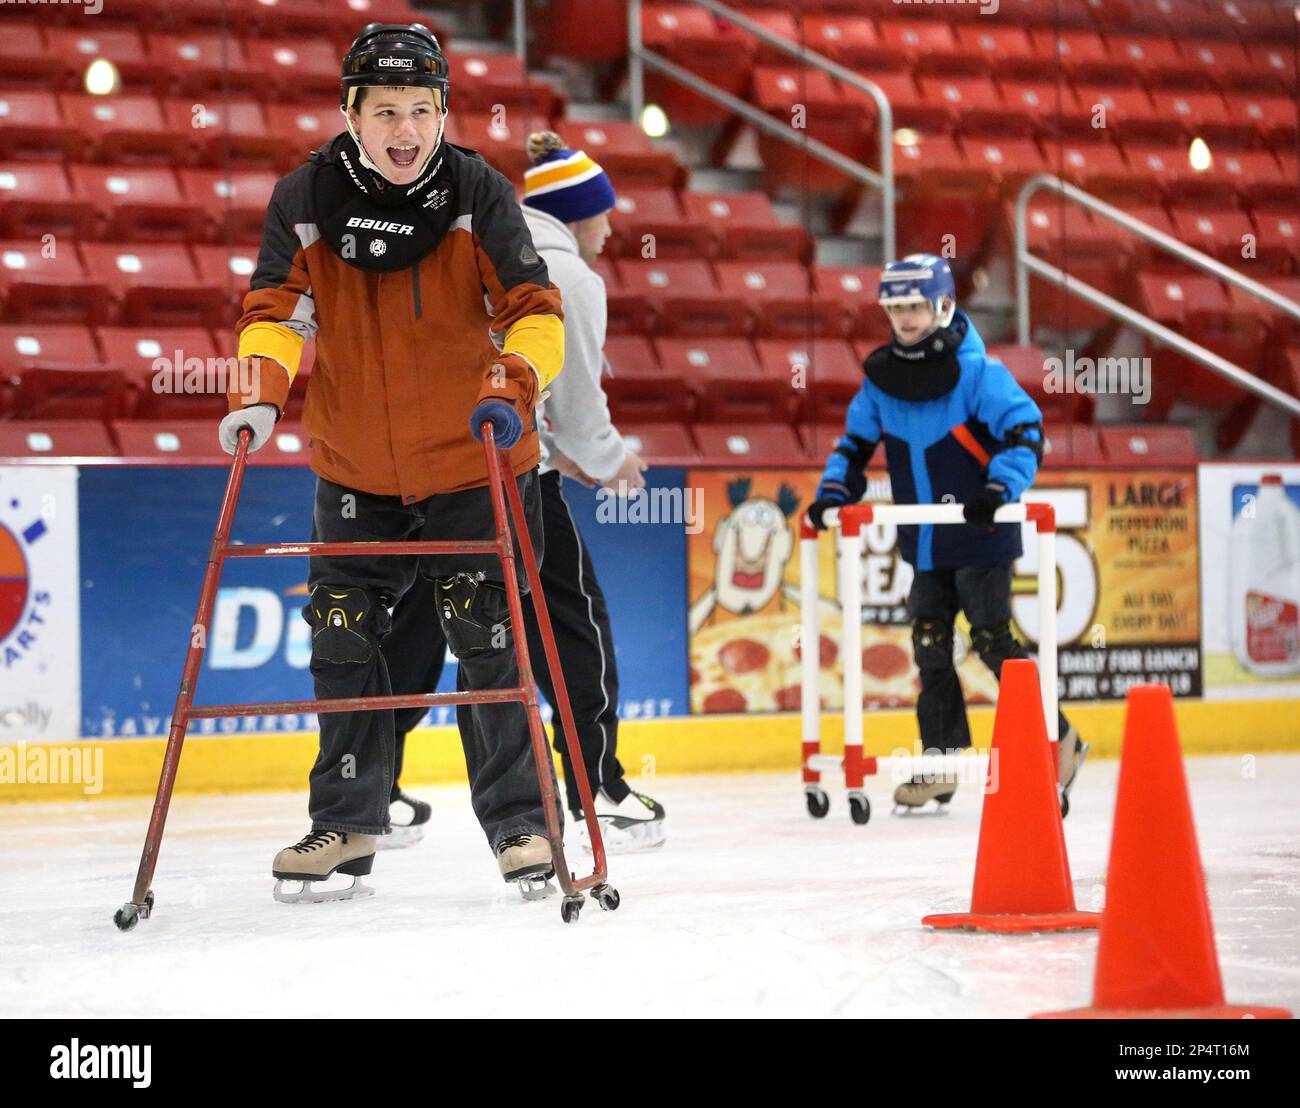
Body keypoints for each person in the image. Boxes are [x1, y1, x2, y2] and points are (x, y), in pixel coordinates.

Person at [217, 22, 567, 901]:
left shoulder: (478, 192)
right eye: (386, 112)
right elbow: (272, 309)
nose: (405, 130)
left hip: (475, 453)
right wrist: (259, 394)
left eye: (422, 109)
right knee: (339, 635)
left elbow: (536, 308)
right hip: (355, 464)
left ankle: (523, 828)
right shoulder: (302, 196)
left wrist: (514, 382)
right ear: (351, 114)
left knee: (487, 637)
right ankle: (347, 821)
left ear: (443, 112)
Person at [380, 131, 666, 854]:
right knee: (569, 622)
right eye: (605, 213)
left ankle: (366, 788)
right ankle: (595, 784)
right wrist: (607, 461)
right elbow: (570, 395)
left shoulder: (469, 241)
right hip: (509, 473)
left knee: (418, 625)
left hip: (420, 470)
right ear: (578, 214)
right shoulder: (566, 273)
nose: (613, 229)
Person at [807, 255, 1087, 812]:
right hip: (925, 546)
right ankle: (941, 761)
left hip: (981, 537)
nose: (906, 318)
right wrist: (834, 494)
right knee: (931, 650)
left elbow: (1027, 433)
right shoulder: (882, 381)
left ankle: (1059, 741)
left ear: (944, 306)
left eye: (916, 306)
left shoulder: (982, 374)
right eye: (896, 308)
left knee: (991, 642)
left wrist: (999, 491)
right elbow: (854, 448)